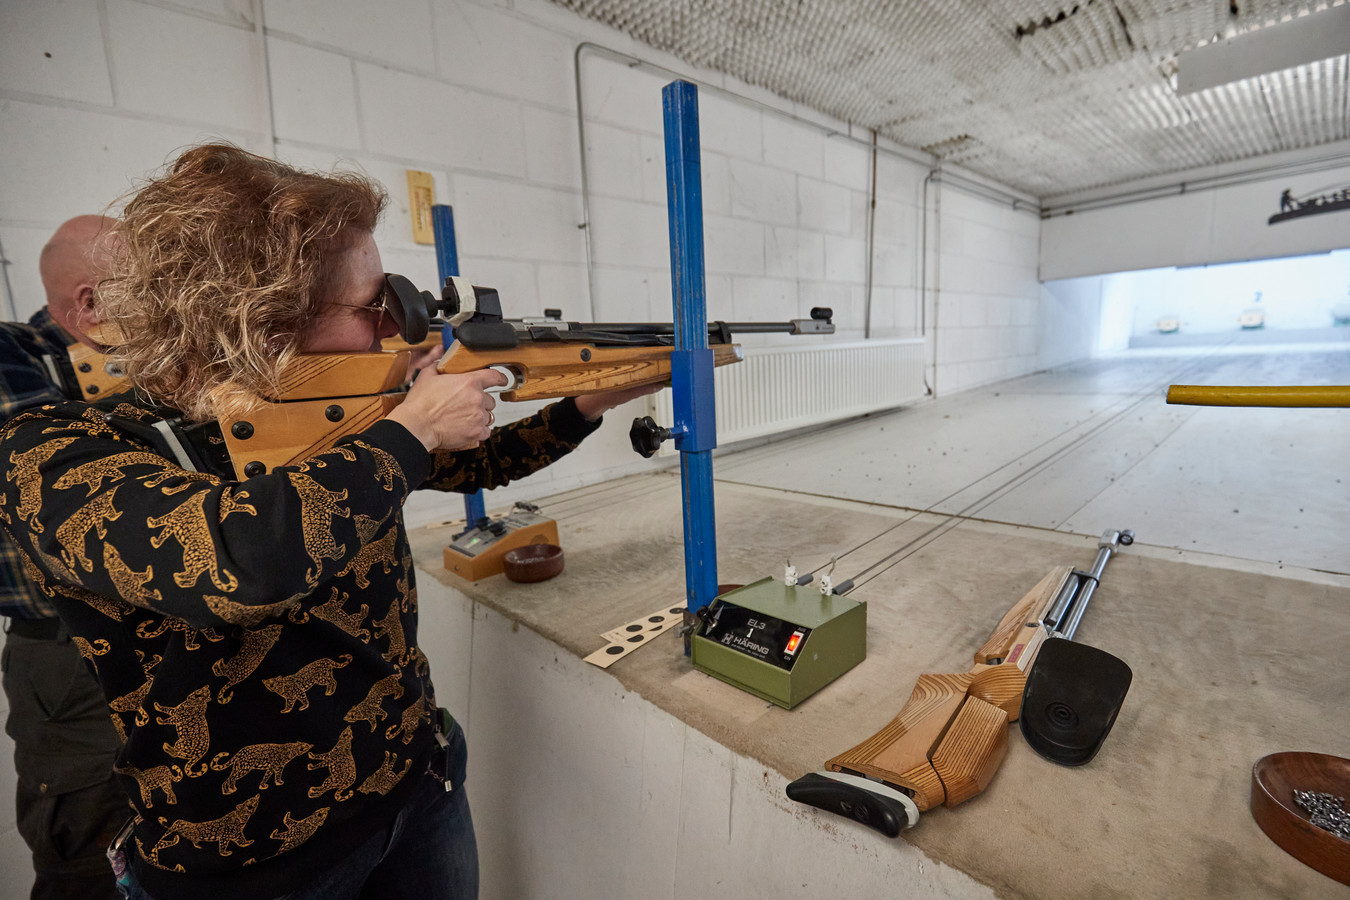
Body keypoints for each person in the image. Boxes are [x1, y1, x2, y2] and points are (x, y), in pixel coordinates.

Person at [0, 145, 653, 900]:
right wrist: (411, 429)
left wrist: (590, 399)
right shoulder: (53, 452)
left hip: (417, 789)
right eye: (377, 306)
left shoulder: (337, 419)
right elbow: (238, 562)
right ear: (263, 320)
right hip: (251, 872)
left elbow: (477, 466)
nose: (395, 328)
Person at [0, 214, 129, 900]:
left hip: (157, 636)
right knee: (90, 858)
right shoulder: (13, 359)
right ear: (91, 305)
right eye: (153, 290)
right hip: (69, 660)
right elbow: (79, 493)